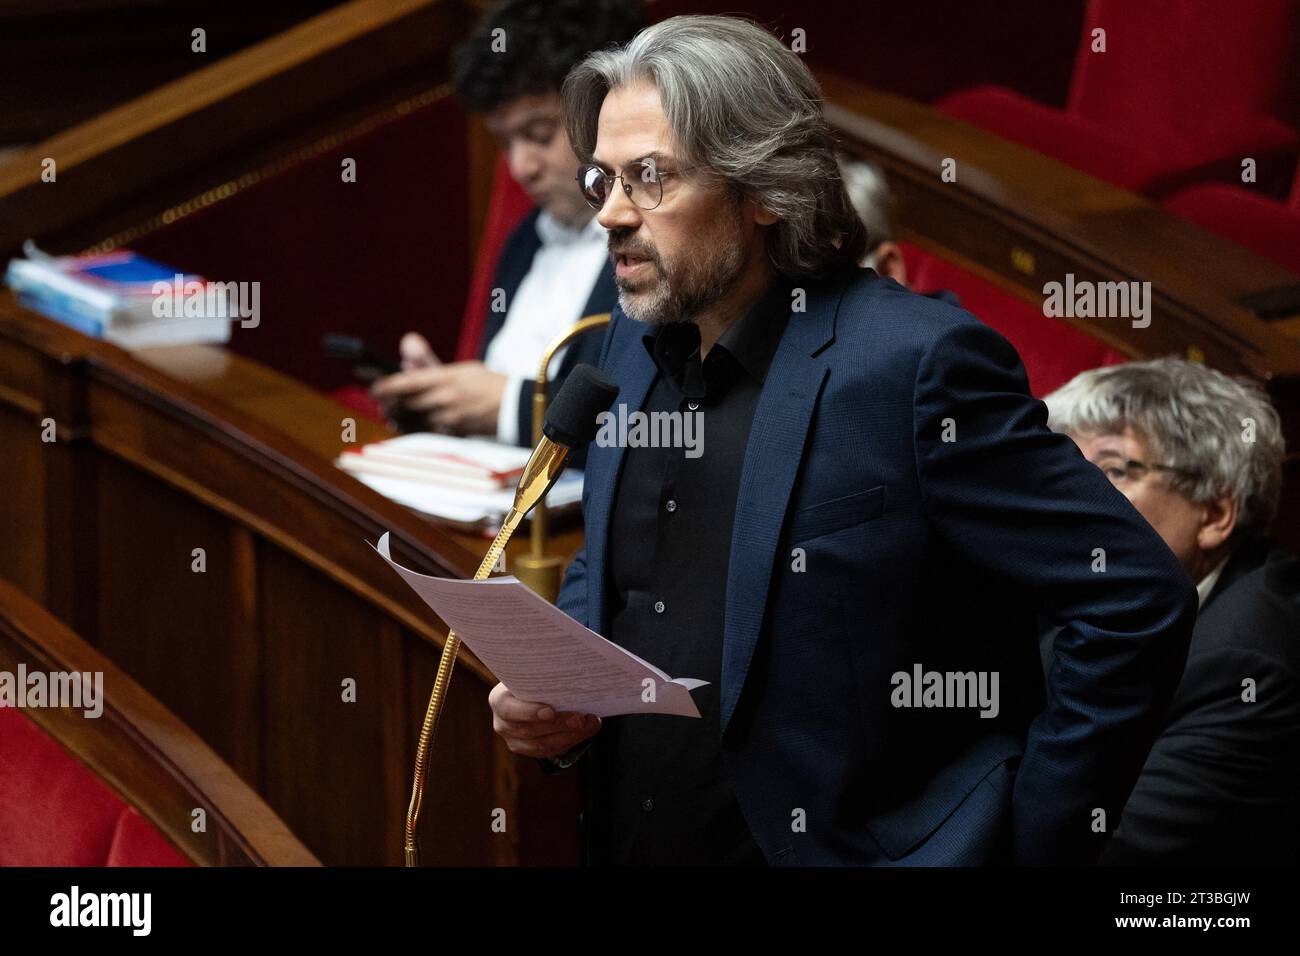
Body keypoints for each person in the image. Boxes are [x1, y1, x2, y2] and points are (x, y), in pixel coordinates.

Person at [488, 14, 1196, 866]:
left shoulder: (915, 366)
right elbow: (615, 567)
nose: (611, 215)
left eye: (650, 178)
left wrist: (1028, 842)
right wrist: (563, 699)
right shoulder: (631, 340)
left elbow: (1130, 599)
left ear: (764, 188)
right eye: (602, 178)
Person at [1044, 357, 1300, 865]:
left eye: (1115, 469)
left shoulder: (1249, 667)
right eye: (1065, 467)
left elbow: (1110, 857)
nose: (1070, 496)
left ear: (1215, 513)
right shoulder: (1074, 580)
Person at [372, 0, 641, 445]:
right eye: (505, 141)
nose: (520, 167)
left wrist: (506, 409)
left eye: (539, 134)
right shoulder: (524, 239)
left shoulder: (652, 244)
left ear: (607, 112)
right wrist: (445, 399)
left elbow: (646, 427)